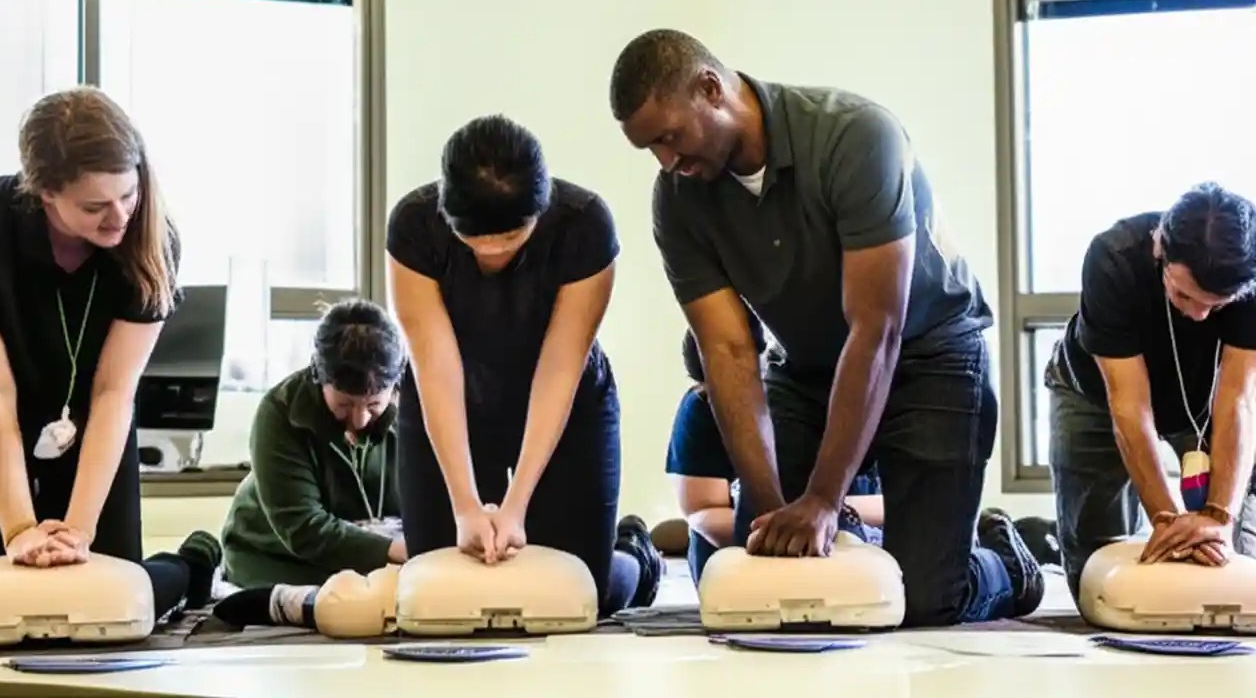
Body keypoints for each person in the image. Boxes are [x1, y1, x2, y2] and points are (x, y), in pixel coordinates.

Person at [609, 29, 1042, 627]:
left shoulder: (856, 137)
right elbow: (729, 350)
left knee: (919, 601)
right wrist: (767, 503)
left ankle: (1004, 563)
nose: (667, 162)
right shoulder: (678, 200)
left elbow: (877, 330)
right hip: (807, 366)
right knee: (763, 588)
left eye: (669, 137)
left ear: (710, 89)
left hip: (931, 357)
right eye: (649, 149)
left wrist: (823, 499)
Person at [386, 114, 663, 615]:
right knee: (438, 592)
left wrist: (515, 506)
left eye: (510, 240)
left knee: (578, 593)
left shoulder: (585, 224)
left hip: (565, 398)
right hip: (454, 398)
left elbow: (560, 366)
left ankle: (636, 557)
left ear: (540, 212)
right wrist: (466, 505)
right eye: (476, 243)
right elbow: (436, 368)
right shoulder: (413, 225)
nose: (492, 256)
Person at [0, 86, 217, 619]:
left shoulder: (153, 238)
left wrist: (79, 530)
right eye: (93, 206)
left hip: (96, 418)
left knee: (109, 604)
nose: (119, 217)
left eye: (127, 195)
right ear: (44, 193)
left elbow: (114, 392)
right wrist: (18, 530)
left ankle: (189, 565)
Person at [1043, 182, 1256, 600]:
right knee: (1095, 583)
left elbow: (1239, 400)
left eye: (1218, 304)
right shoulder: (1112, 258)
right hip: (1096, 397)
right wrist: (1165, 519)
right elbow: (1130, 408)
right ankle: (1019, 557)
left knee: (1236, 574)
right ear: (1160, 247)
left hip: (1206, 400)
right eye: (1184, 294)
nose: (1199, 315)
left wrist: (1218, 515)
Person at [667, 319, 885, 587]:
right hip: (741, 543)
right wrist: (790, 525)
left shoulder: (863, 391)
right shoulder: (702, 406)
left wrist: (823, 512)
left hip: (851, 534)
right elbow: (702, 512)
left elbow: (894, 501)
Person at [220, 298, 408, 589]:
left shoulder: (418, 408)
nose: (359, 420)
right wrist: (400, 551)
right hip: (279, 557)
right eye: (344, 404)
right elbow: (304, 528)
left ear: (396, 385)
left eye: (373, 404)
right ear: (317, 376)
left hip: (390, 553)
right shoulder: (280, 412)